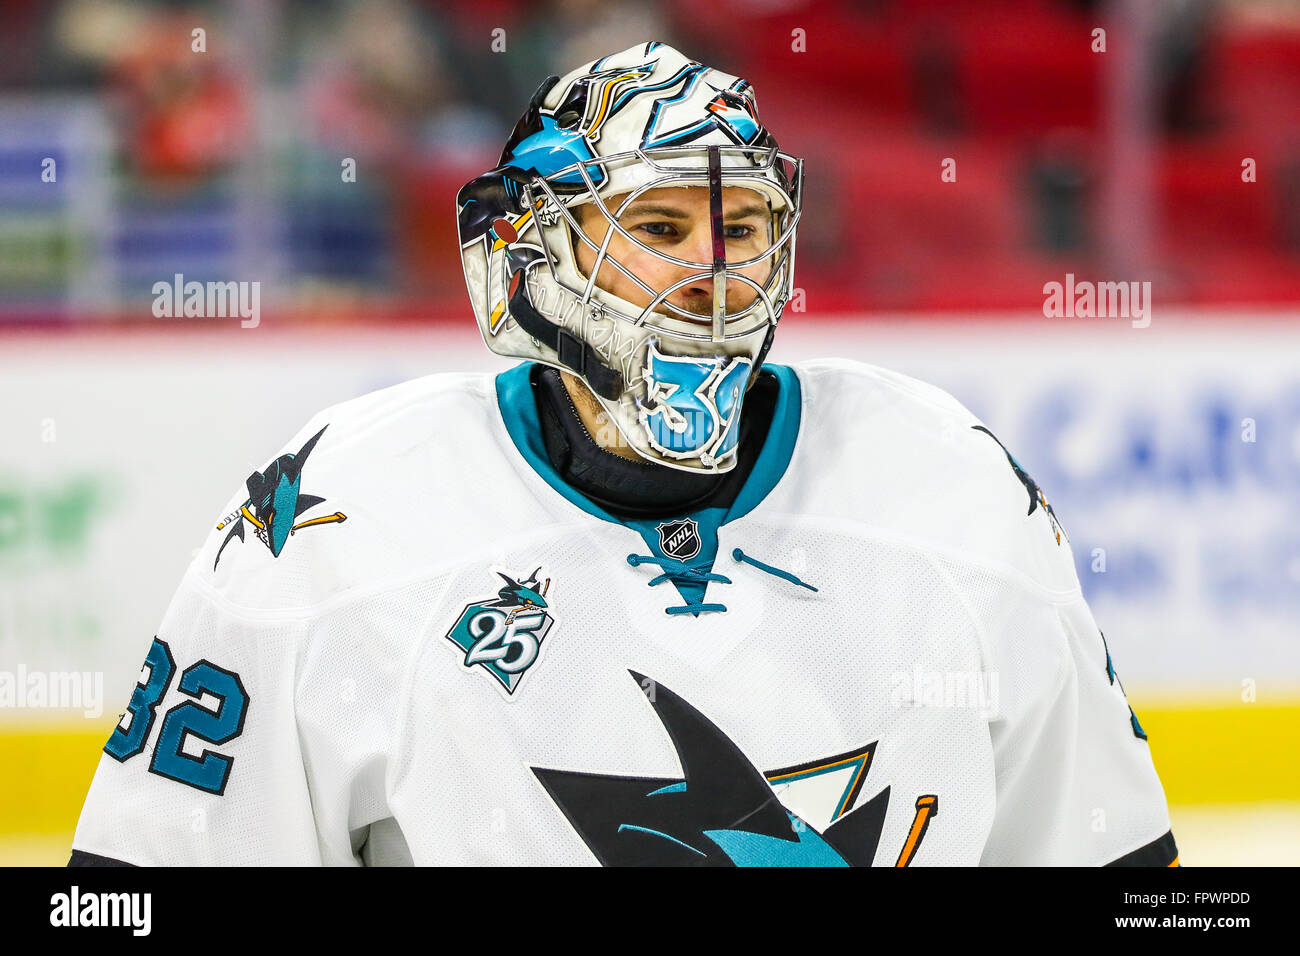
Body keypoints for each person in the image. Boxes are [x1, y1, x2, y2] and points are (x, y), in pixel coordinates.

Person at [70, 42, 1177, 866]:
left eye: (740, 229)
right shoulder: (327, 524)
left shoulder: (953, 488)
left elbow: (1114, 861)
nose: (714, 274)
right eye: (657, 230)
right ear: (529, 257)